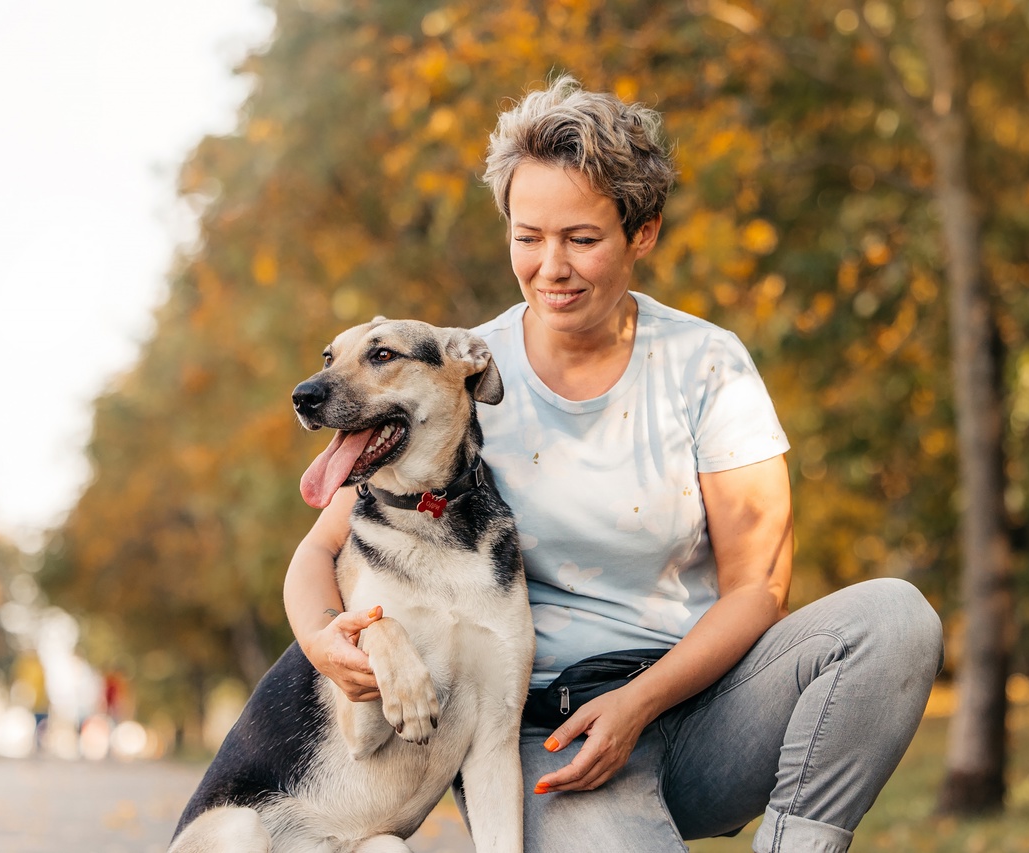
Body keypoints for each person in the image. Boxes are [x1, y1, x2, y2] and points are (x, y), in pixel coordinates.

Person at [284, 76, 943, 853]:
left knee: (896, 619)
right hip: (549, 739)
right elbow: (321, 550)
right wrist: (327, 640)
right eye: (528, 236)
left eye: (582, 238)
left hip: (702, 704)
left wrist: (639, 702)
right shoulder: (462, 376)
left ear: (643, 232)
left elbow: (759, 587)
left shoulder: (708, 365)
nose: (551, 266)